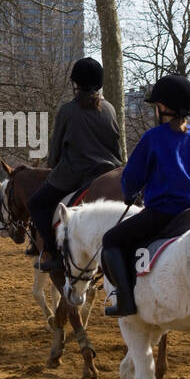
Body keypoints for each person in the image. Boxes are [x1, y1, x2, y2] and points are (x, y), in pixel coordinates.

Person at [100, 74, 190, 317]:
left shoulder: (154, 137)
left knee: (111, 240)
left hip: (164, 214)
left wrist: (131, 194)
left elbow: (131, 177)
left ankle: (126, 300)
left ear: (162, 107)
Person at [30, 58, 124, 273]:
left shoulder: (67, 110)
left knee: (37, 204)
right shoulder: (109, 108)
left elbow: (55, 151)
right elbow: (116, 146)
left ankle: (53, 255)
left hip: (75, 175)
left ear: (76, 84)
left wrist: (52, 165)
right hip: (109, 171)